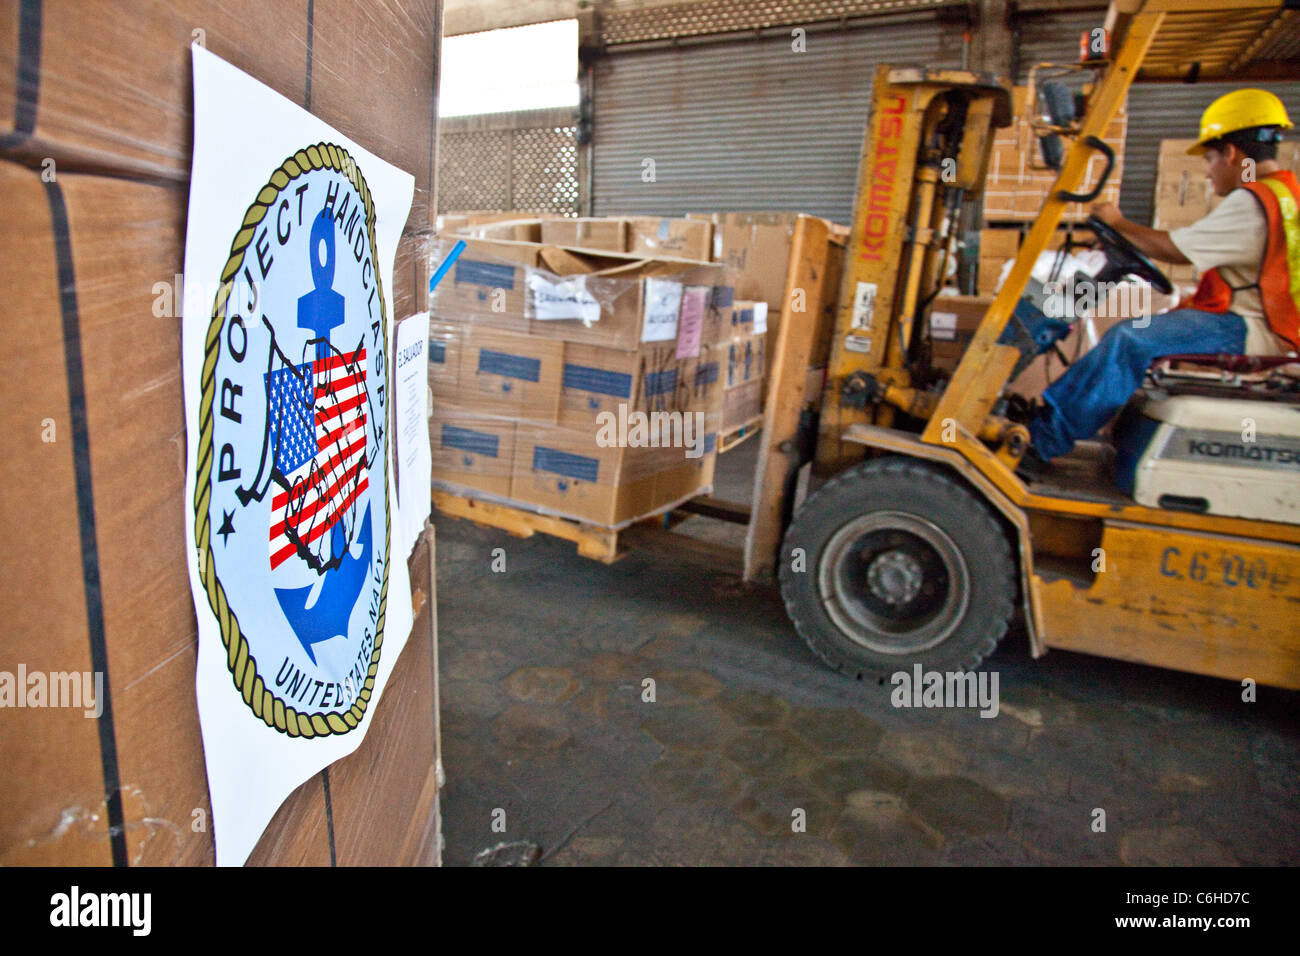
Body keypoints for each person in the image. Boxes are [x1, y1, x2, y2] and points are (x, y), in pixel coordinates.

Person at [1025, 88, 1300, 471]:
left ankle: (1040, 441)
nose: (1207, 171)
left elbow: (1175, 250)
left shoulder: (1254, 202)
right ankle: (1049, 424)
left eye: (1209, 159)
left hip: (1250, 326)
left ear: (1232, 154)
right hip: (1259, 320)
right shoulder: (1282, 195)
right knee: (1127, 330)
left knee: (1130, 338)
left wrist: (1119, 223)